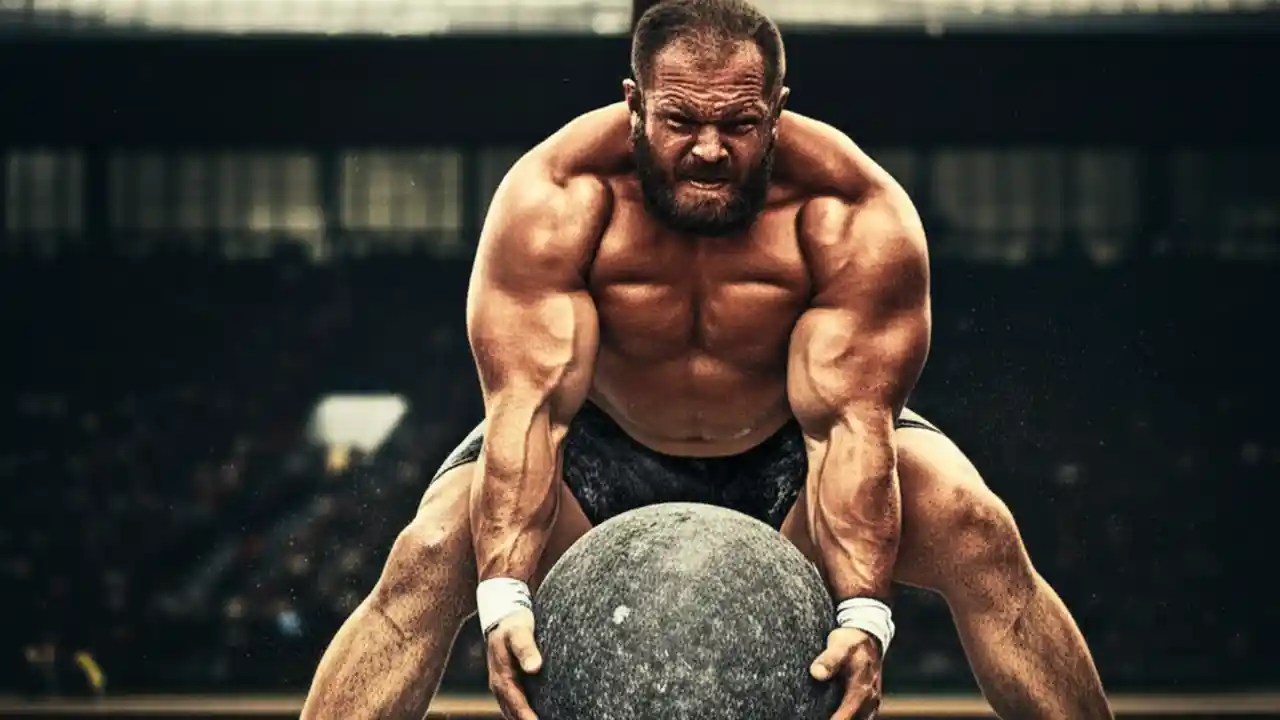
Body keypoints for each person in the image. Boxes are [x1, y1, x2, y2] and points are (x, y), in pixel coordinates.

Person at [301, 1, 1112, 718]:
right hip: (597, 446)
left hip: (791, 452)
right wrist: (505, 595)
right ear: (634, 107)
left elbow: (848, 429)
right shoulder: (555, 197)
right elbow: (532, 413)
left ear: (777, 113)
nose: (710, 150)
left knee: (976, 529)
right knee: (431, 552)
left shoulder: (850, 211)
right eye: (682, 121)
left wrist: (865, 616)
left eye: (739, 123)